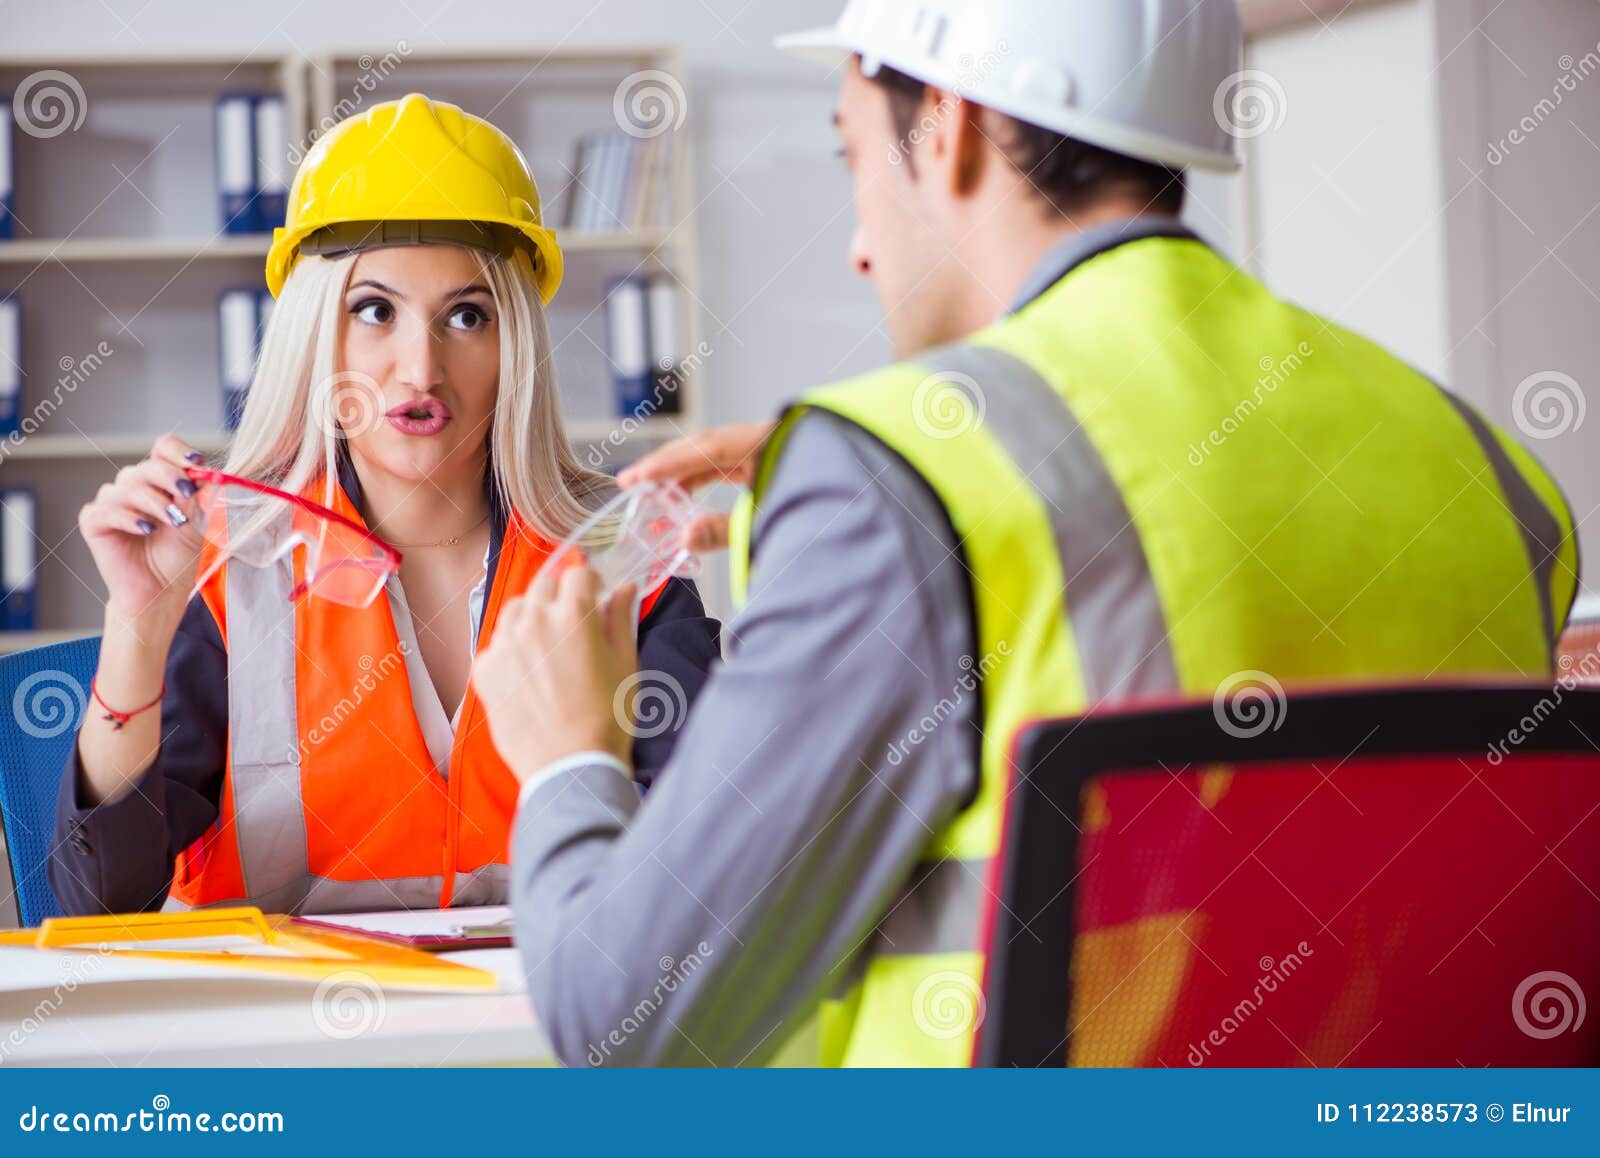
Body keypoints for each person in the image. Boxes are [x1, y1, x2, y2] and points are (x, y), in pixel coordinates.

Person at [469, 0, 1579, 1066]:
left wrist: (569, 757)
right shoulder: (1488, 469)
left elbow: (630, 1022)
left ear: (945, 126)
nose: (859, 246)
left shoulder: (899, 479)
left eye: (852, 155)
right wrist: (866, 493)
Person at [49, 94, 720, 918]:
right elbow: (97, 904)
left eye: (467, 316)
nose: (420, 369)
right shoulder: (225, 566)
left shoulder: (622, 558)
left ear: (515, 344)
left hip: (544, 1030)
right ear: (313, 335)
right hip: (281, 1039)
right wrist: (139, 627)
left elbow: (713, 860)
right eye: (375, 310)